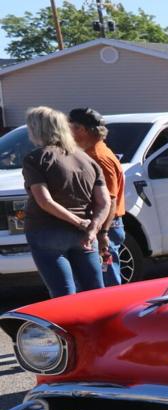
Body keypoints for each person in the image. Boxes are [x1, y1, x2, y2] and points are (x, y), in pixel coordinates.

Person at [20, 107, 109, 297]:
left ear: (37, 130)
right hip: (84, 235)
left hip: (46, 231)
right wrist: (92, 228)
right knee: (95, 292)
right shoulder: (87, 160)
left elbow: (44, 201)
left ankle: (69, 327)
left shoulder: (36, 158)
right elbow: (104, 201)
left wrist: (80, 223)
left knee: (64, 294)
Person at [65, 107, 126, 287]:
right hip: (100, 225)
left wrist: (103, 232)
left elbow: (110, 199)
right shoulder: (92, 153)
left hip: (105, 225)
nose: (67, 132)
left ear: (81, 129)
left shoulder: (99, 157)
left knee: (107, 280)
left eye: (70, 127)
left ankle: (114, 312)